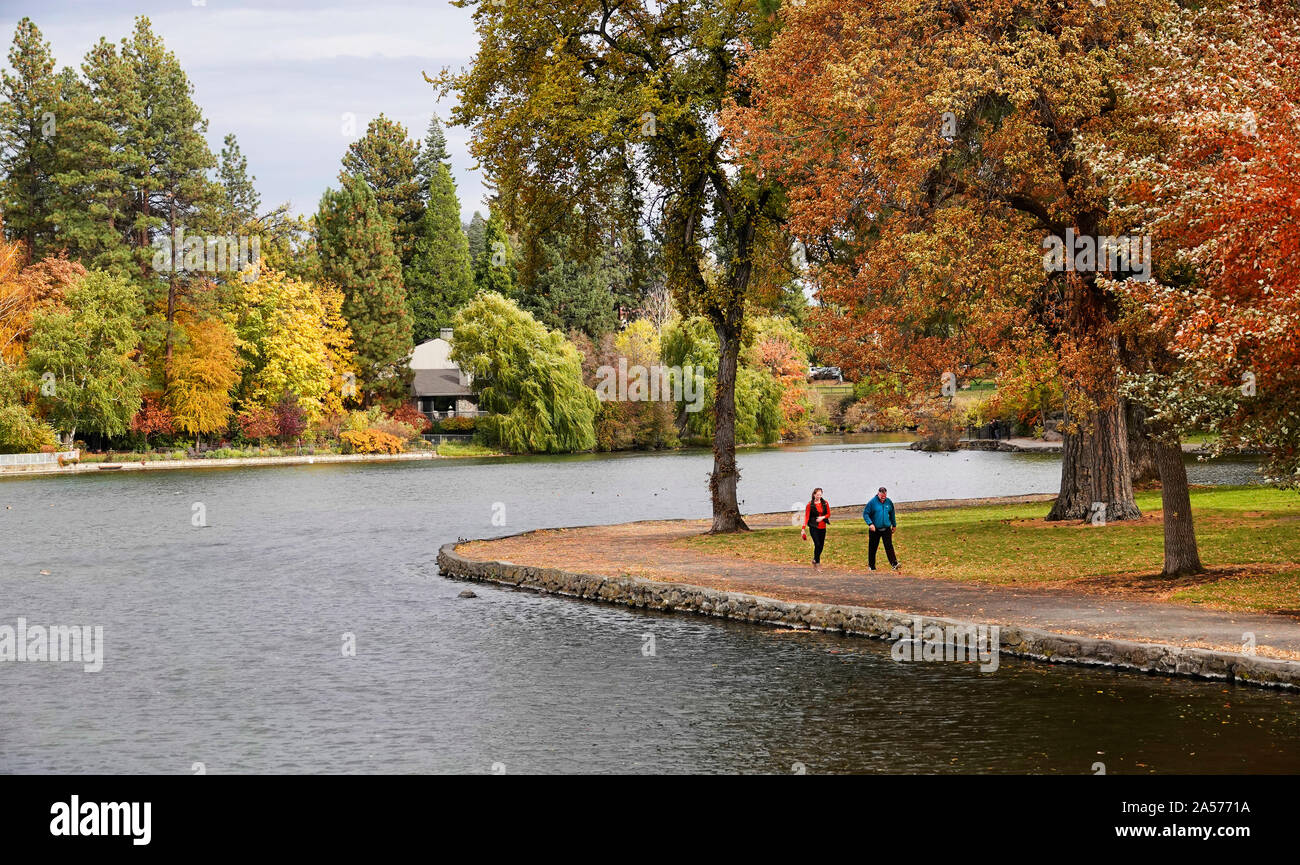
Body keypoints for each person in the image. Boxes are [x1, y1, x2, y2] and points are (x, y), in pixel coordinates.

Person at [862, 486, 899, 571]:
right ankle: (871, 566)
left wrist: (894, 525)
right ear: (878, 494)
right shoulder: (872, 502)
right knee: (873, 547)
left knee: (889, 546)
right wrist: (870, 524)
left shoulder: (889, 502)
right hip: (875, 529)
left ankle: (894, 564)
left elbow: (892, 513)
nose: (883, 498)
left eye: (884, 496)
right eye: (882, 496)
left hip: (886, 528)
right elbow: (865, 514)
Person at [800, 487, 831, 568]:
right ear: (814, 495)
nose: (819, 496)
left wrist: (822, 517)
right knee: (817, 544)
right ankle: (817, 561)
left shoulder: (825, 503)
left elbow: (828, 514)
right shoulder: (810, 505)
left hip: (823, 527)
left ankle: (815, 559)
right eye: (817, 495)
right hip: (814, 527)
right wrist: (803, 529)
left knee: (821, 545)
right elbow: (806, 517)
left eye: (820, 495)